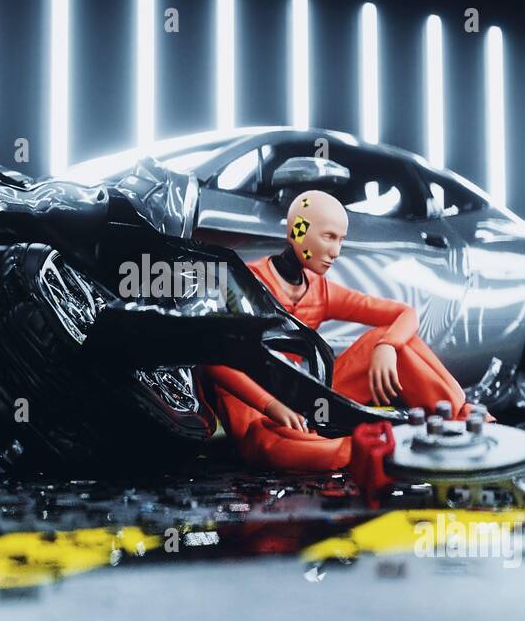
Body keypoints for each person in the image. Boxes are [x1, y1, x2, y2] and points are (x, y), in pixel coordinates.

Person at [202, 189, 485, 472]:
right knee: (280, 444)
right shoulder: (243, 284)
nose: (336, 252)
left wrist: (387, 345)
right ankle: (375, 454)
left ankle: (460, 421)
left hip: (306, 399)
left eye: (341, 240)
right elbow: (214, 357)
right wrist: (270, 405)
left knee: (399, 344)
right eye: (328, 237)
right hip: (256, 417)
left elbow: (404, 314)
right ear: (298, 232)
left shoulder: (320, 290)